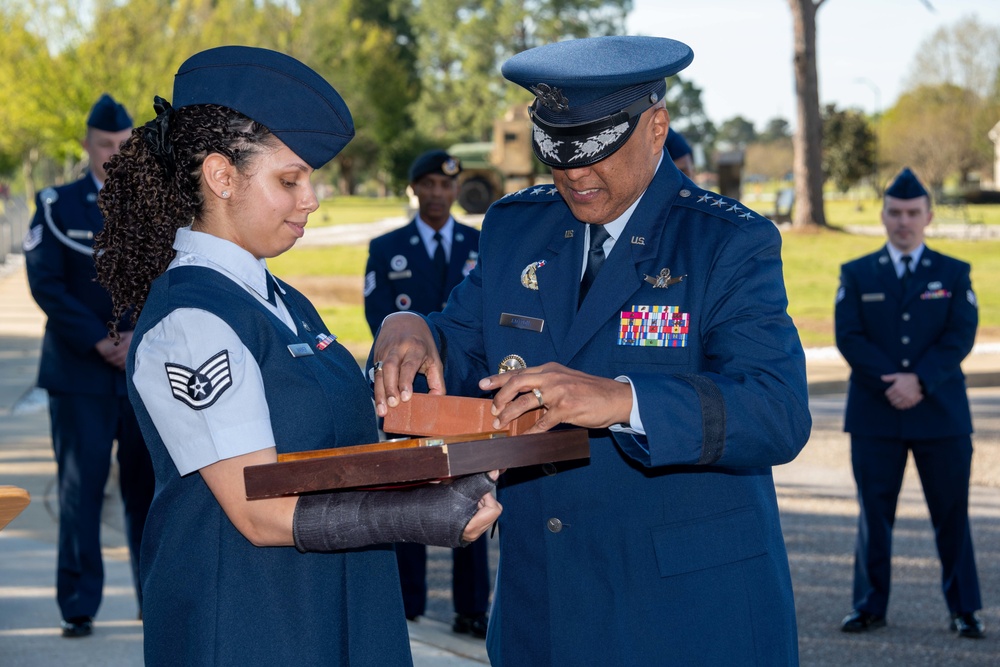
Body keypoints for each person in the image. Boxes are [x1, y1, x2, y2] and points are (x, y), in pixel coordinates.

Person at [369, 35, 811, 665]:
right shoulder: (516, 227)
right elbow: (460, 345)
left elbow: (777, 411)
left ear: (656, 127)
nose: (575, 173)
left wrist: (621, 399)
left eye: (597, 150)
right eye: (557, 149)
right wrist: (410, 330)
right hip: (544, 607)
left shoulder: (724, 241)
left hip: (686, 616)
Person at [92, 45, 500, 665]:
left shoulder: (281, 298)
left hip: (330, 608)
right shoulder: (191, 319)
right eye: (290, 179)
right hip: (253, 625)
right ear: (220, 176)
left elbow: (328, 449)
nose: (311, 199)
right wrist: (419, 512)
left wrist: (450, 462)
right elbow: (259, 510)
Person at [23, 93, 154, 638]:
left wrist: (136, 337)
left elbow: (169, 278)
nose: (115, 155)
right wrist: (102, 341)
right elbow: (45, 282)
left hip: (141, 372)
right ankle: (79, 604)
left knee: (148, 491)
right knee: (81, 490)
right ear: (86, 144)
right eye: (105, 145)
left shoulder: (154, 207)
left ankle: (157, 598)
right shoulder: (57, 205)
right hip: (79, 373)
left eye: (125, 146)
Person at [835, 167, 984, 639]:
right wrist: (892, 382)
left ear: (929, 216)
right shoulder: (857, 274)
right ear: (883, 216)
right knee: (873, 516)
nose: (904, 222)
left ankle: (964, 609)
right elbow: (849, 336)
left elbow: (960, 335)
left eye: (913, 213)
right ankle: (869, 605)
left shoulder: (953, 273)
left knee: (952, 514)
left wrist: (918, 379)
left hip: (940, 414)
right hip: (875, 415)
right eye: (896, 213)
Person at [364, 150, 491, 637]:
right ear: (414, 189)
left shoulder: (482, 244)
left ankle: (471, 605)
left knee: (473, 488)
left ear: (456, 191)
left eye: (447, 185)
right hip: (408, 392)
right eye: (430, 184)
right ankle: (408, 601)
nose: (438, 193)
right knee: (407, 489)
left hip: (465, 389)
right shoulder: (386, 247)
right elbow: (379, 317)